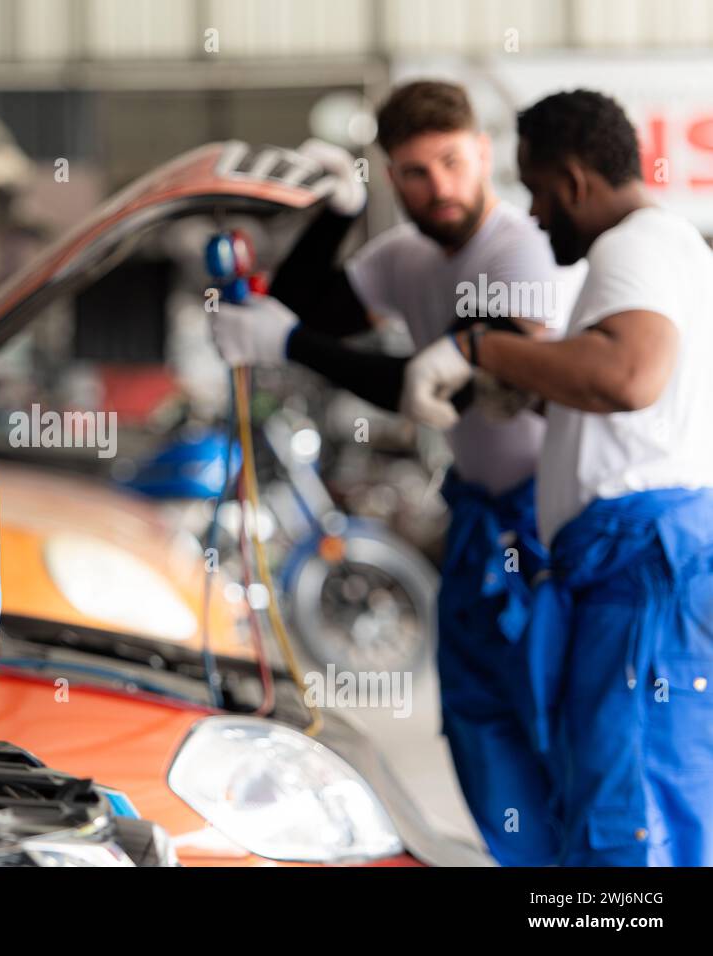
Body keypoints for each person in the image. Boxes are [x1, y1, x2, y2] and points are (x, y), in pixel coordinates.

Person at [210, 80, 578, 865]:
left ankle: (588, 898)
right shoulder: (406, 256)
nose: (438, 187)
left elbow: (441, 381)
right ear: (393, 176)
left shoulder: (517, 249)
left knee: (554, 721)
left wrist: (289, 347)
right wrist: (335, 215)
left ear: (483, 153)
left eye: (451, 162)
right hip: (478, 514)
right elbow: (307, 304)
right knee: (480, 723)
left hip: (550, 529)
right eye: (413, 172)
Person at [402, 89, 713, 866]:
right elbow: (624, 385)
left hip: (639, 562)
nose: (535, 217)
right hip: (631, 561)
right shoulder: (667, 245)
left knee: (629, 809)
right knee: (626, 794)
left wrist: (482, 351)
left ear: (575, 182)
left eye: (539, 192)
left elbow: (629, 376)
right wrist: (540, 383)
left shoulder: (631, 246)